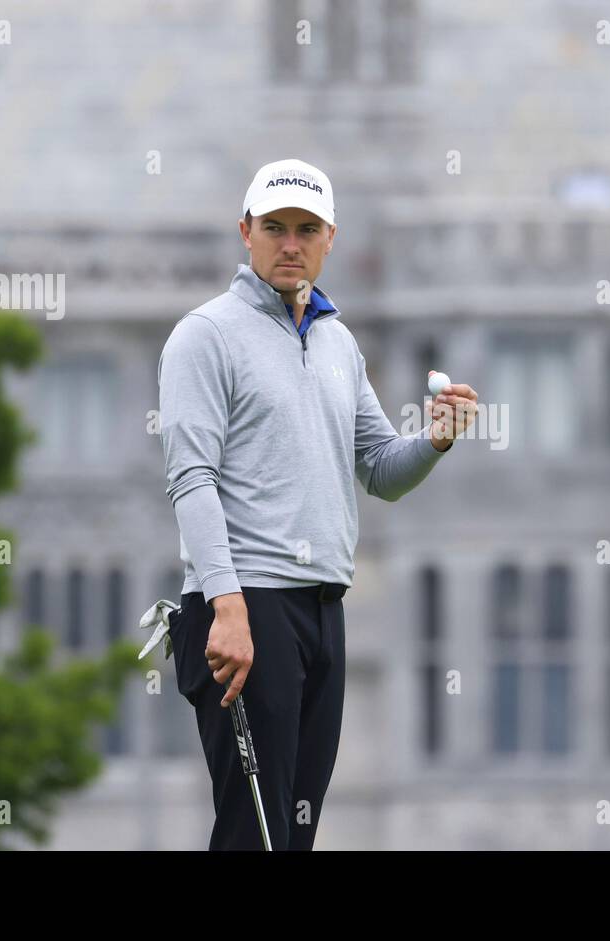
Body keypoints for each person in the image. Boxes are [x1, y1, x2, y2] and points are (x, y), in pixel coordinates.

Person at [157, 158, 477, 850]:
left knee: (292, 836)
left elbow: (382, 470)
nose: (290, 243)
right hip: (246, 607)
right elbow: (191, 478)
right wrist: (228, 607)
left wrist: (437, 440)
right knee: (255, 834)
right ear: (246, 232)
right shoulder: (205, 335)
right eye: (274, 227)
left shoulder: (338, 343)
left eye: (306, 229)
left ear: (331, 237)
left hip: (324, 609)